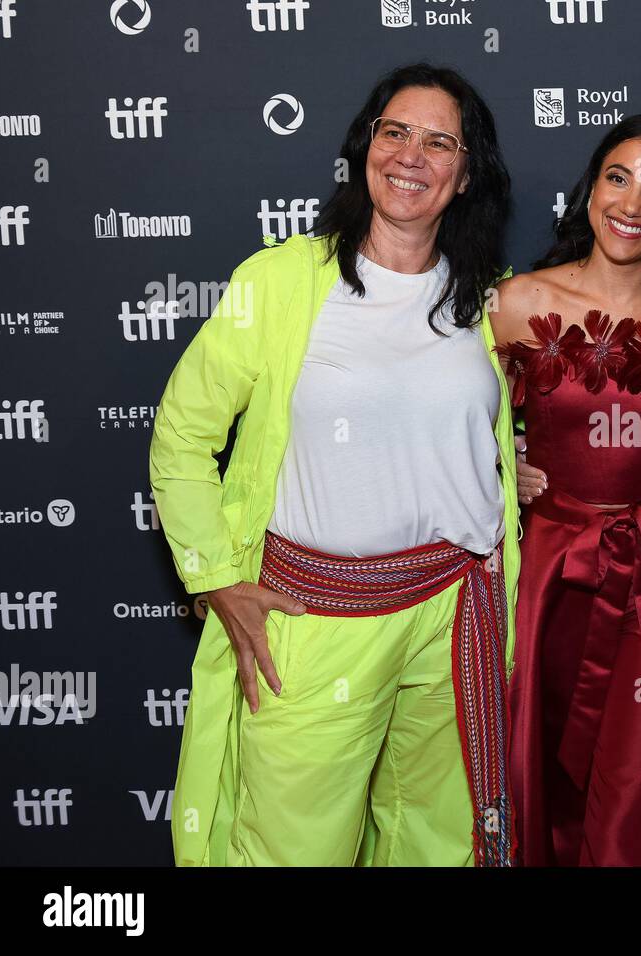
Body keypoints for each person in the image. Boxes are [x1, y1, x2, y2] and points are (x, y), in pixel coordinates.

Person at [149, 62, 521, 866]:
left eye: (439, 141)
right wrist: (213, 575)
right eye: (395, 132)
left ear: (464, 177)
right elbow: (181, 433)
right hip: (314, 618)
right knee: (292, 849)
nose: (411, 155)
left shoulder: (490, 300)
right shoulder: (281, 283)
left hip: (455, 615)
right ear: (364, 150)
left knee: (440, 846)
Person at [494, 114, 641, 866]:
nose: (632, 203)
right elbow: (451, 423)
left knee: (635, 796)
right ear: (591, 189)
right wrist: (504, 464)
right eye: (618, 178)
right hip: (552, 578)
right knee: (549, 790)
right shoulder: (514, 301)